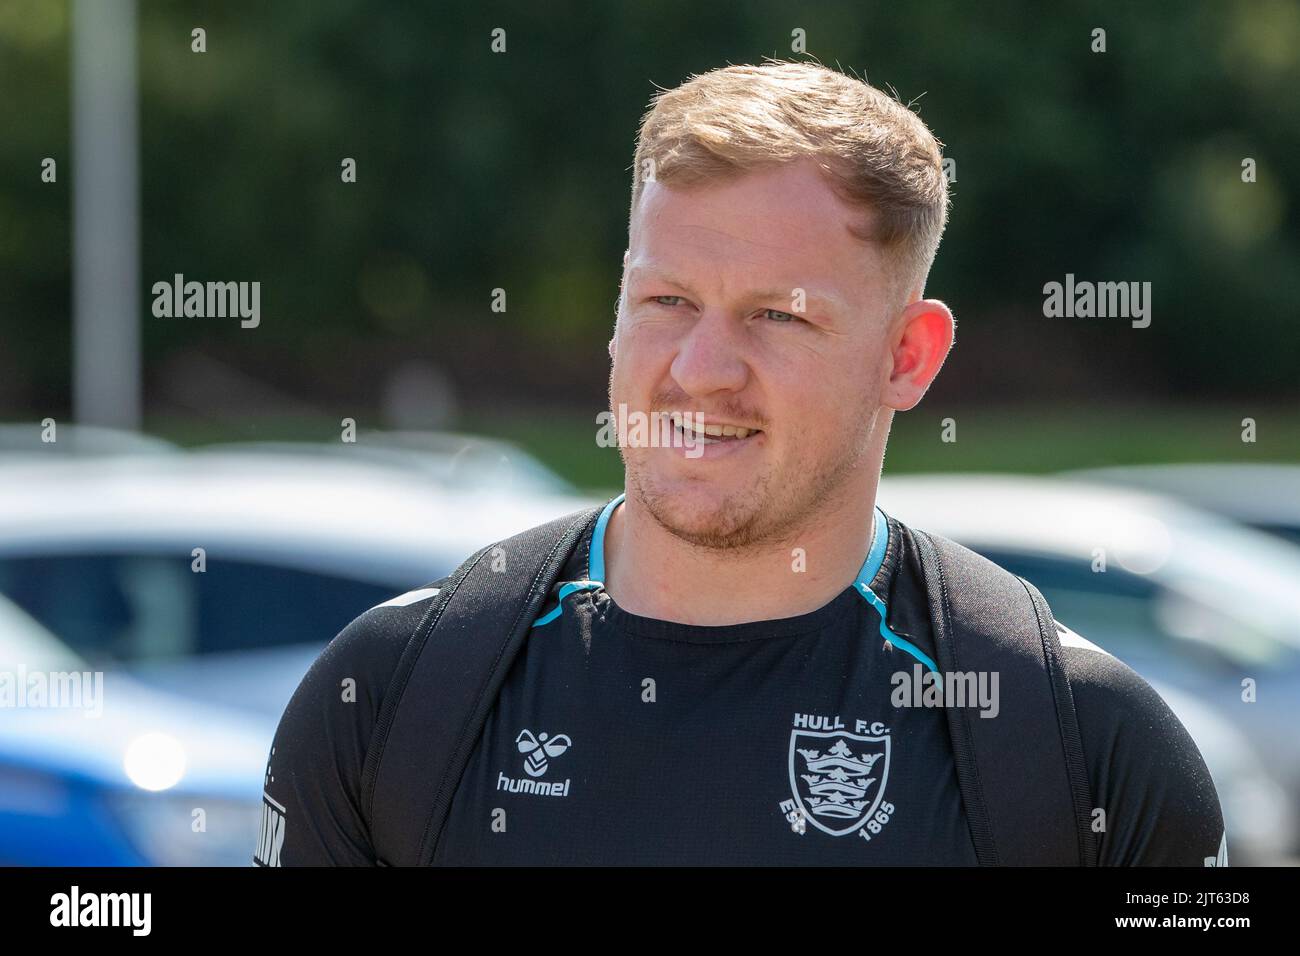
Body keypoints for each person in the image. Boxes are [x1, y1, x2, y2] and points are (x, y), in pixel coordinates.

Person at [256, 60, 1225, 866]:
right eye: (666, 300)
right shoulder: (389, 700)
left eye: (778, 315)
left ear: (907, 356)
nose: (700, 370)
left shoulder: (1080, 749)